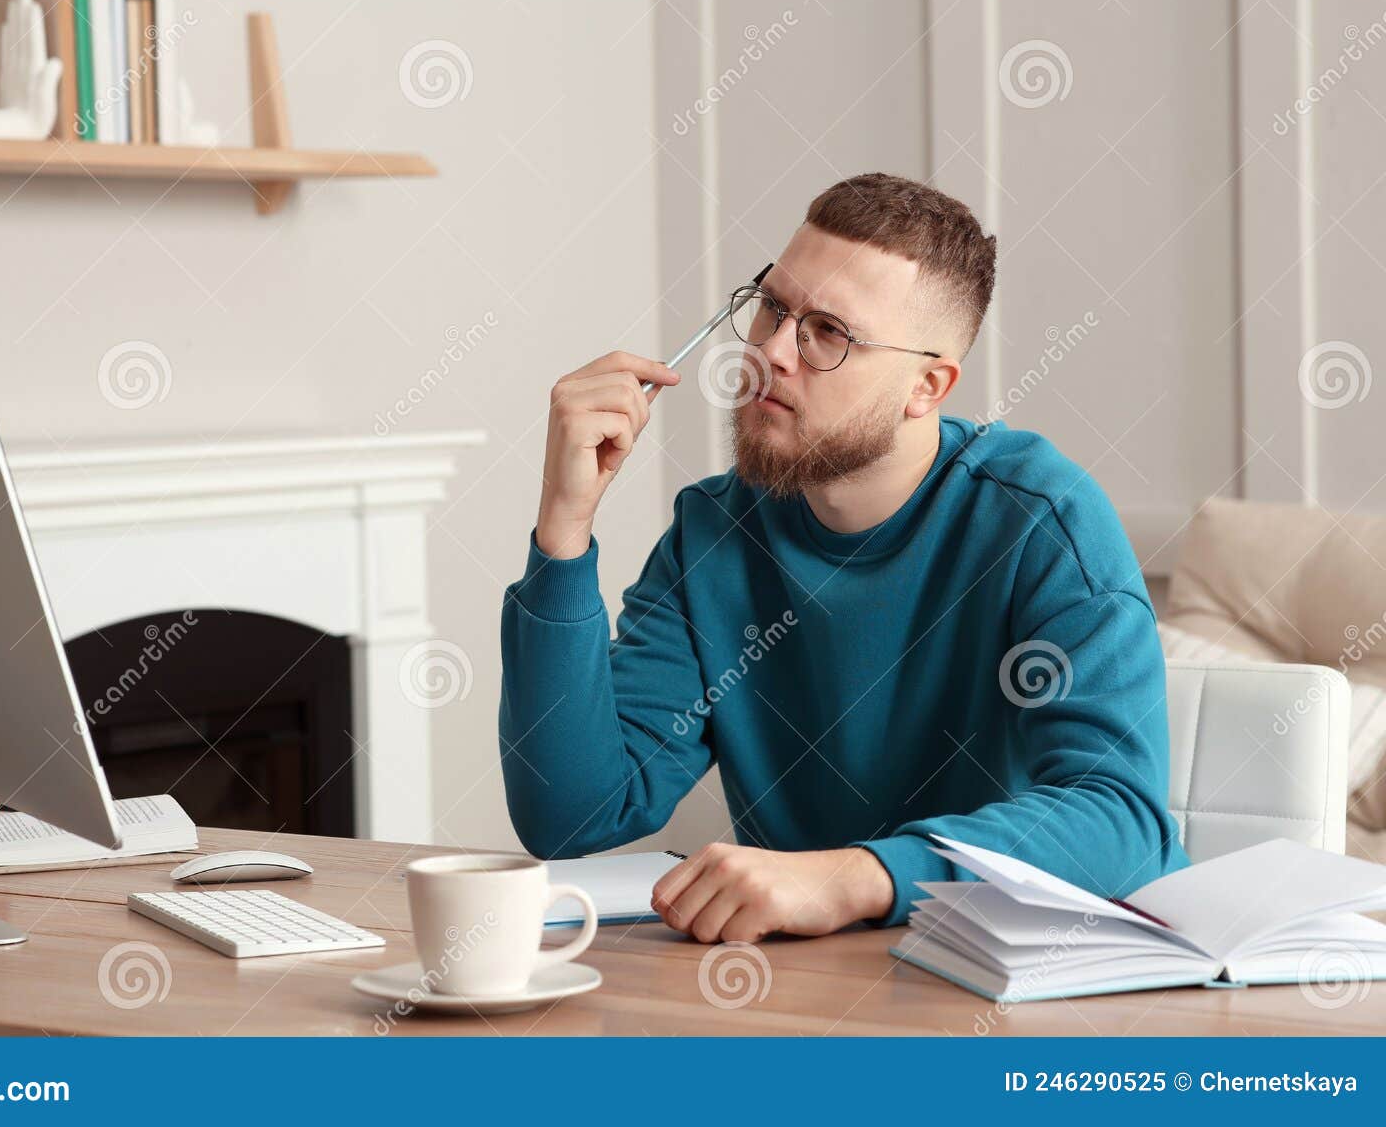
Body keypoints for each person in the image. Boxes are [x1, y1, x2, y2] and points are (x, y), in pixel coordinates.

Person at [498, 172, 1187, 943]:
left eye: (829, 332)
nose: (771, 351)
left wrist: (854, 876)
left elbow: (1122, 821)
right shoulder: (713, 534)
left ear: (926, 386)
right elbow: (574, 814)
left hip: (1013, 997)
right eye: (772, 307)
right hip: (796, 996)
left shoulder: (1041, 524)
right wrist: (564, 527)